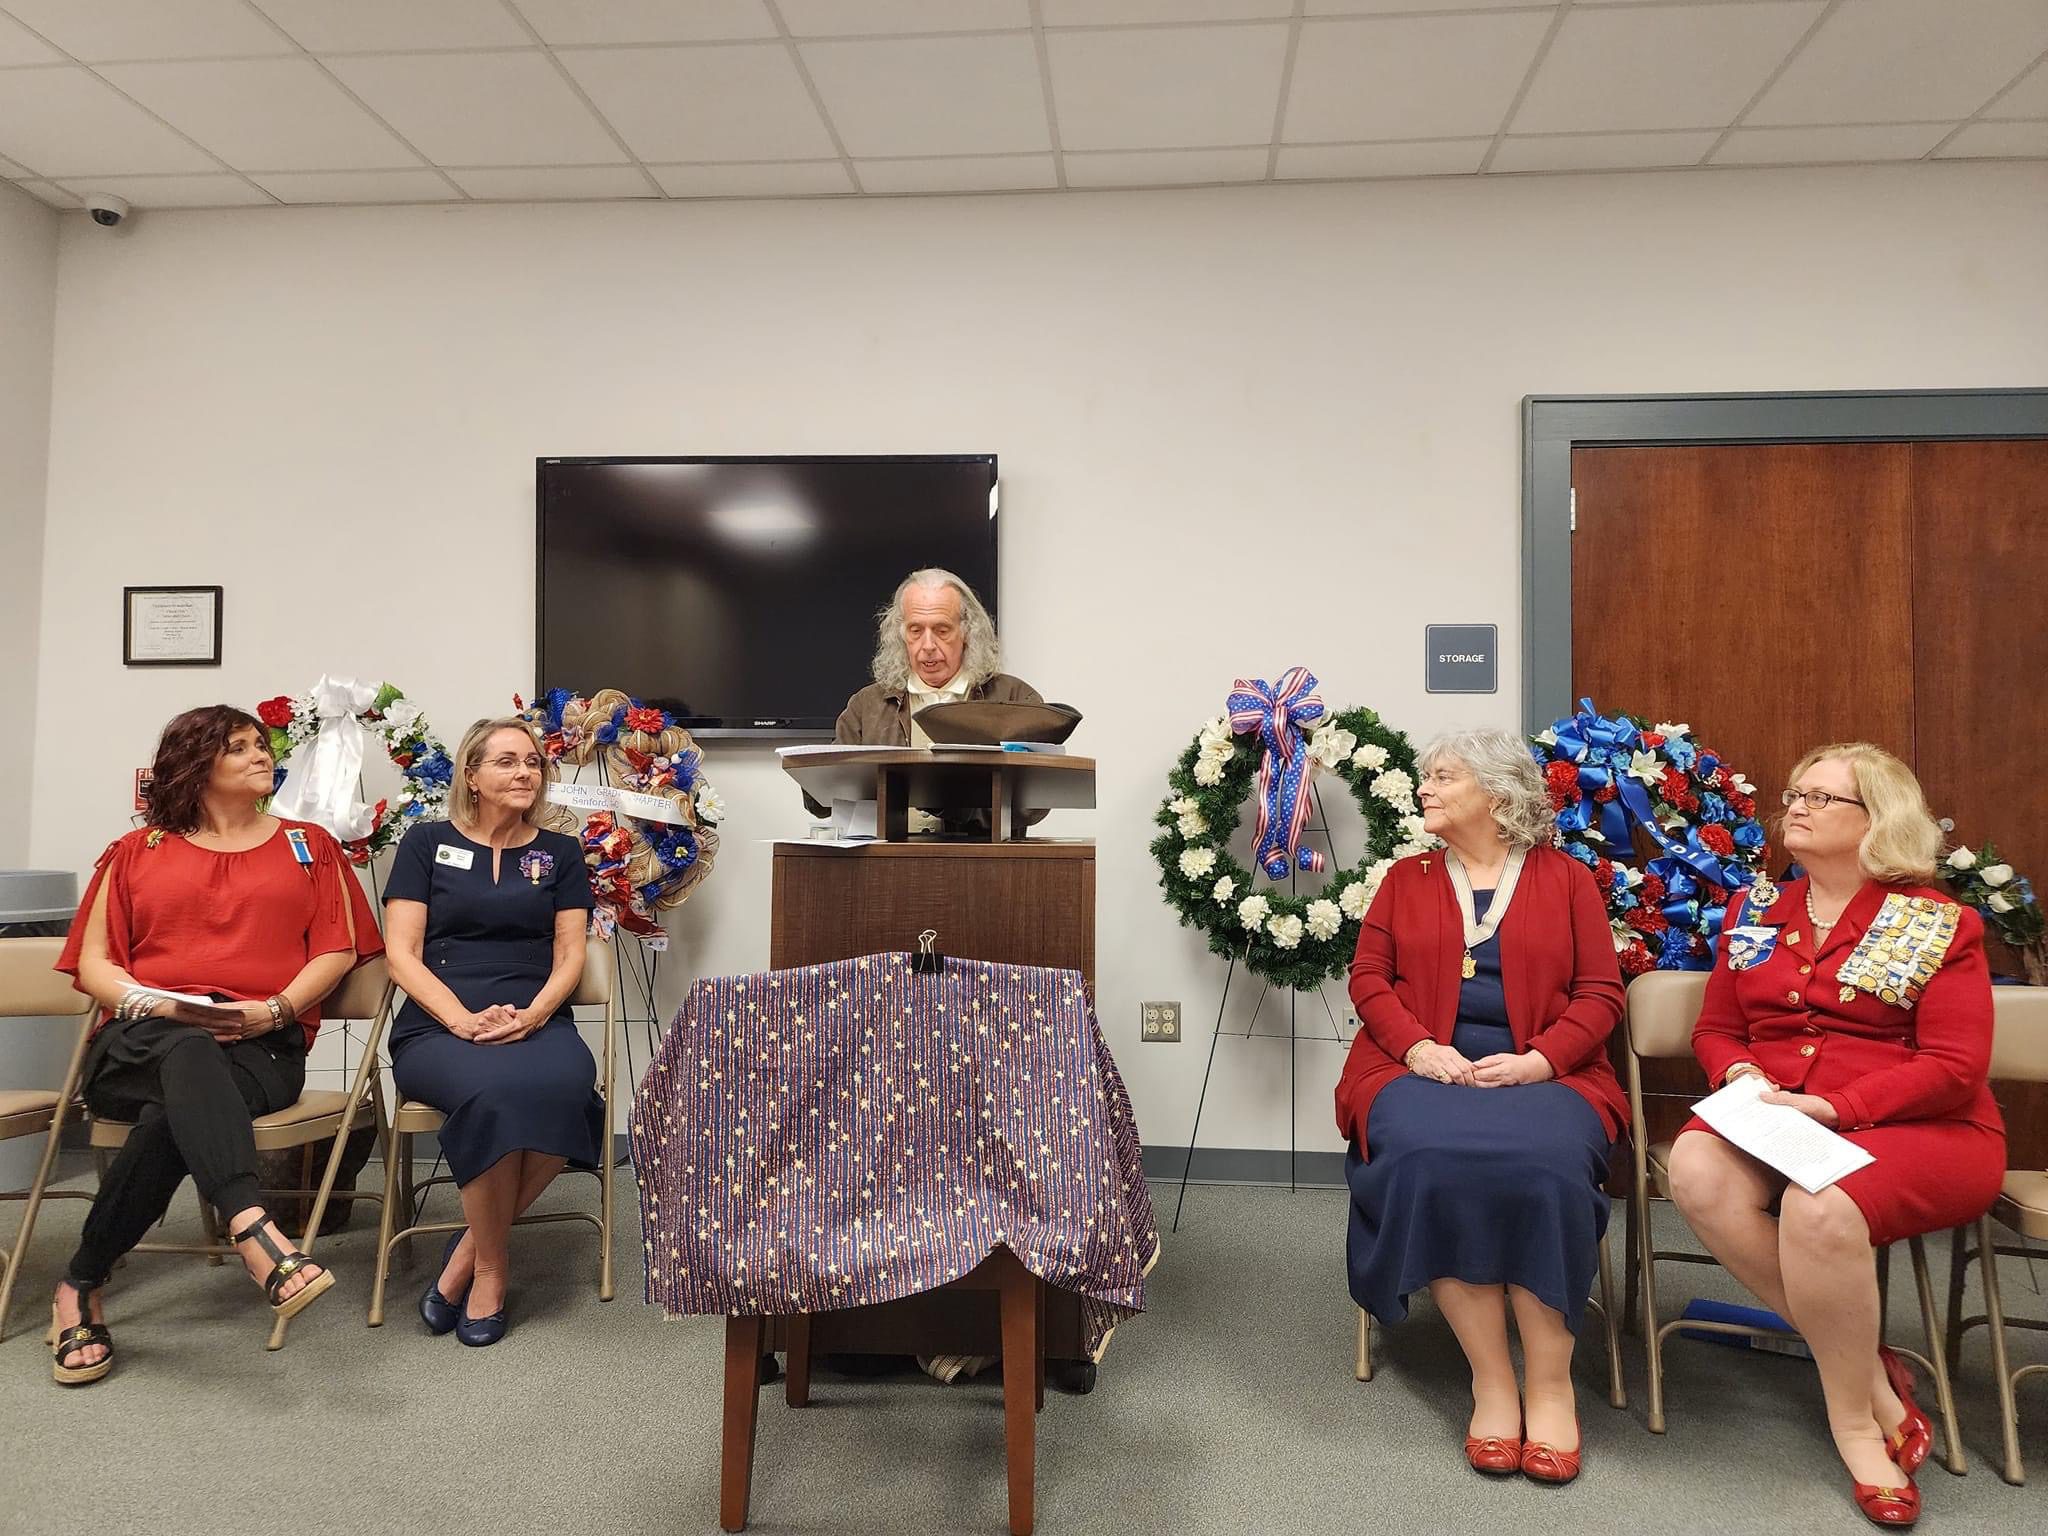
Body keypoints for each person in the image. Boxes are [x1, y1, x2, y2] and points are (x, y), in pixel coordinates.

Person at [1667, 743, 2004, 1529]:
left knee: (1821, 1205)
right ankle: (1870, 1377)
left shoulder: (1934, 921)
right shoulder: (1754, 910)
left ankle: (1855, 1422)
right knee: (1695, 1166)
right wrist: (1741, 1076)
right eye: (1796, 793)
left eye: (1823, 798)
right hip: (1776, 1112)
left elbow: (1955, 1068)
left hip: (1921, 1126)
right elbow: (1717, 1028)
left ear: (1876, 821)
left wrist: (1834, 1109)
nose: (1799, 806)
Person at [49, 705, 380, 1385]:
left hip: (262, 1046)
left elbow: (339, 948)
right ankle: (255, 1231)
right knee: (184, 1050)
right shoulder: (136, 851)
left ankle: (79, 1285)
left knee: (177, 1110)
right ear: (196, 765)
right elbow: (94, 965)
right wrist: (162, 1005)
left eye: (262, 744)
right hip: (138, 1042)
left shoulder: (307, 845)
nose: (262, 755)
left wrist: (276, 1009)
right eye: (240, 747)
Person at [1336, 728, 1626, 1484]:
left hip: (1548, 1074)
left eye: (1443, 777)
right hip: (1418, 1071)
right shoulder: (1406, 877)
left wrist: (1542, 1060)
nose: (1424, 788)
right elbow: (1369, 981)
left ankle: (1552, 1385)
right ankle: (1493, 1380)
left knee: (1549, 1164)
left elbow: (1601, 994)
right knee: (1433, 1157)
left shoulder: (1567, 881)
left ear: (1497, 795)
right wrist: (1419, 1050)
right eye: (1426, 778)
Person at [382, 716, 600, 1347]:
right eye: (506, 761)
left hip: (536, 1013)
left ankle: (469, 1254)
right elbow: (402, 953)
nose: (525, 771)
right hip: (439, 1021)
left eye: (532, 761)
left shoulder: (559, 853)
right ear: (471, 776)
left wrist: (533, 1016)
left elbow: (570, 956)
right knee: (496, 1094)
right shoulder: (424, 843)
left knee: (568, 1089)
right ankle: (491, 1269)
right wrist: (458, 1018)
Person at [833, 568, 1042, 747]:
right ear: (900, 633)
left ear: (968, 631)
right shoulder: (865, 707)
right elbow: (827, 783)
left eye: (942, 630)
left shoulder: (1017, 699)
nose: (928, 646)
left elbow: (1042, 783)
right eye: (915, 630)